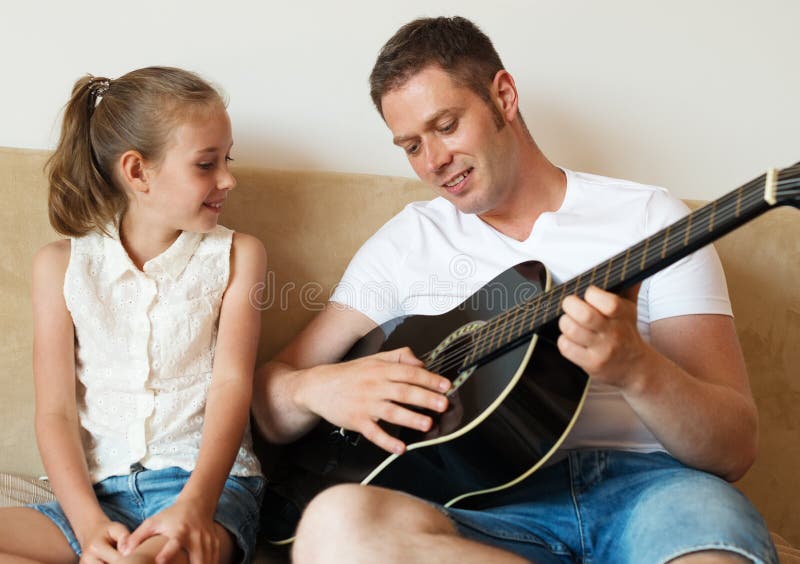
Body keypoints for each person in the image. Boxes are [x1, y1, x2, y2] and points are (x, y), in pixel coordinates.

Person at [253, 16, 778, 564]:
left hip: (655, 494)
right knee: (333, 527)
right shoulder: (408, 242)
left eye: (446, 125)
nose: (433, 162)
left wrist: (636, 368)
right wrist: (317, 390)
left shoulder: (650, 220)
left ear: (503, 96)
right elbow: (270, 400)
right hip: (482, 508)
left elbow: (733, 450)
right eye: (411, 145)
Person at [0, 67, 266, 563]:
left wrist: (195, 505)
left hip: (202, 487)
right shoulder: (59, 266)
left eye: (225, 160)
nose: (228, 179)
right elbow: (55, 412)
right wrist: (89, 525)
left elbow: (233, 386)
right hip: (96, 498)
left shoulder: (237, 255)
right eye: (206, 164)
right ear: (137, 171)